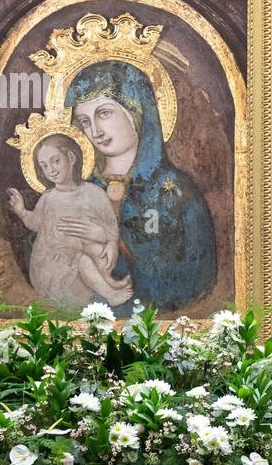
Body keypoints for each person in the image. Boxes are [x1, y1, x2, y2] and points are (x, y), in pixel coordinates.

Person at [64, 60, 218, 316]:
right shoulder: (79, 189)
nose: (95, 131)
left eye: (104, 113)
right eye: (84, 121)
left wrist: (110, 237)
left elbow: (192, 276)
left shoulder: (174, 192)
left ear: (136, 110)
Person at [7, 134, 134, 310]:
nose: (51, 169)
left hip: (80, 255)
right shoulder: (48, 198)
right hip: (52, 266)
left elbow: (110, 226)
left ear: (71, 158)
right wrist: (21, 211)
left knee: (97, 250)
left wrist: (111, 242)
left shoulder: (95, 193)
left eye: (56, 161)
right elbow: (35, 224)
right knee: (81, 259)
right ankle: (110, 294)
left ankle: (110, 283)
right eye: (44, 166)